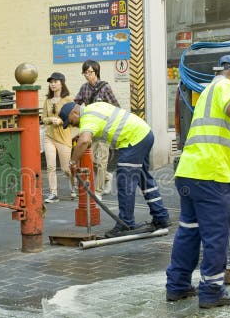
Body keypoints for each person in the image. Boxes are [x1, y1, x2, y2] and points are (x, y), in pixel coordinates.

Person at [164, 55, 230, 309]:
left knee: (188, 233)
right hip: (211, 176)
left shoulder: (206, 92)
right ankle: (212, 291)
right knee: (216, 235)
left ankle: (177, 287)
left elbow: (213, 136)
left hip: (189, 173)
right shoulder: (225, 86)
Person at [59, 101, 170, 237]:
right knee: (144, 179)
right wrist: (84, 135)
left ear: (74, 113)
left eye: (70, 121)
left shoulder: (87, 117)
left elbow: (84, 141)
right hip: (144, 134)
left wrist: (73, 162)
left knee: (125, 181)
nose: (72, 125)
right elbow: (100, 129)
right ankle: (161, 217)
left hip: (133, 140)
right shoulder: (93, 107)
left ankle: (126, 223)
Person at [73, 60, 117, 200]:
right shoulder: (84, 88)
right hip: (90, 128)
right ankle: (107, 177)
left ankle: (98, 191)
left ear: (96, 72)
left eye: (90, 72)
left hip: (104, 128)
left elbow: (115, 106)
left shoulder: (105, 87)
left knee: (101, 159)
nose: (87, 75)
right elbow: (76, 104)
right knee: (93, 161)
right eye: (85, 73)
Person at [42, 72, 75, 203]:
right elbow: (43, 118)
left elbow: (72, 119)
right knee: (50, 166)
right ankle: (53, 193)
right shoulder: (47, 100)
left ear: (62, 83)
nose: (52, 84)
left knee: (66, 168)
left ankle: (74, 186)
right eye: (51, 82)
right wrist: (50, 119)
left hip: (63, 136)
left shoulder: (68, 100)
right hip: (49, 136)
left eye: (55, 81)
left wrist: (61, 121)